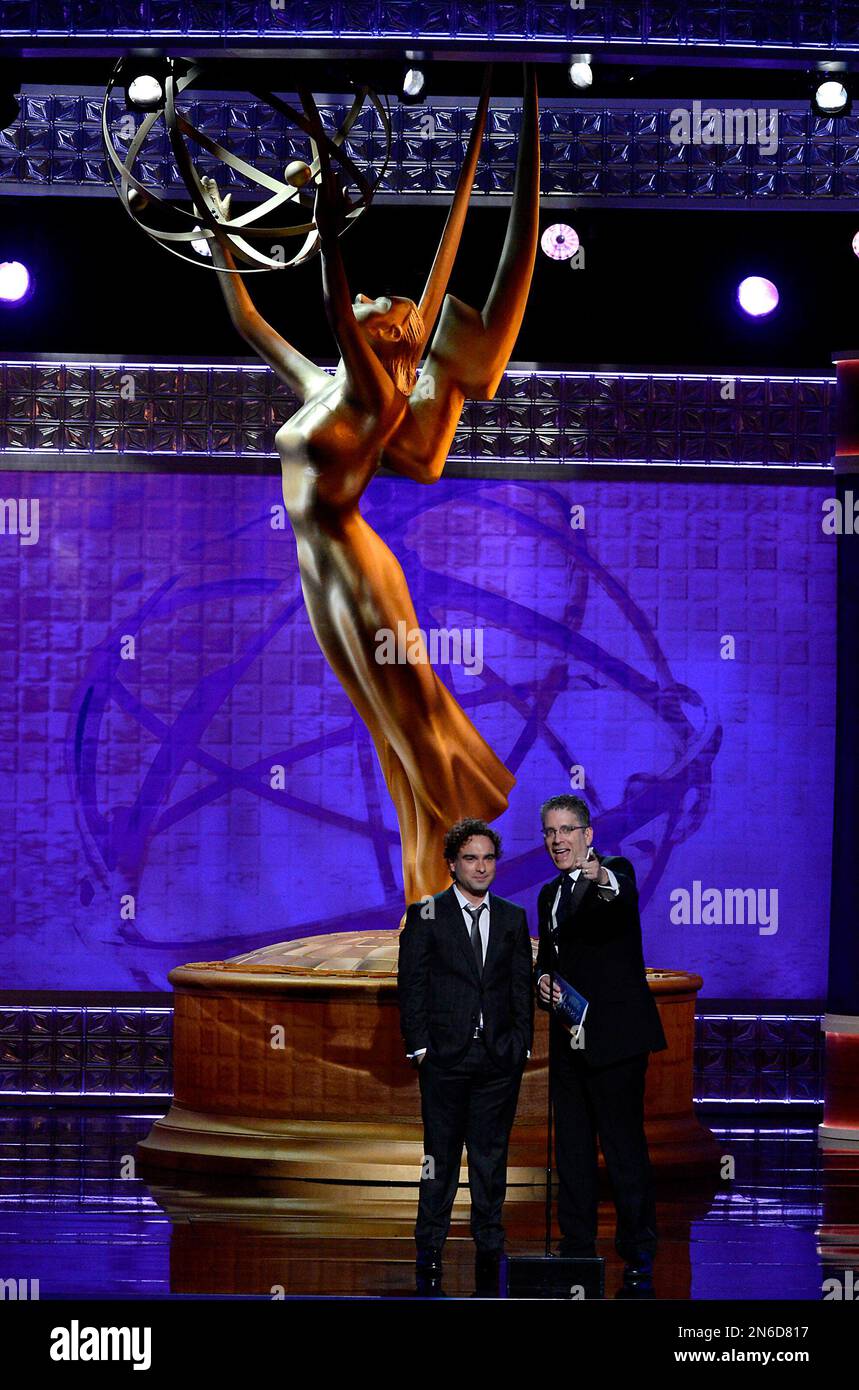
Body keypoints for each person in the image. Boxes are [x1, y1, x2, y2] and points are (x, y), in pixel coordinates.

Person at [201, 68, 540, 904]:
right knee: (387, 732)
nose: (375, 300)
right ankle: (426, 897)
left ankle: (468, 874)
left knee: (416, 725)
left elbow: (330, 303)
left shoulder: (374, 393)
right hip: (320, 573)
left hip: (357, 571)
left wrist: (322, 195)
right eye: (382, 303)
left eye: (386, 308)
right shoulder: (327, 385)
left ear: (390, 341)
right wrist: (216, 228)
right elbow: (249, 321)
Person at [535, 794, 667, 1293]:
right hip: (569, 1039)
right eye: (550, 832)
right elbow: (550, 958)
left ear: (588, 836)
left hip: (615, 1040)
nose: (558, 840)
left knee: (622, 1146)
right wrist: (542, 982)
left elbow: (618, 892)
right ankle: (576, 1247)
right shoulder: (548, 895)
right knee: (571, 1148)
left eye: (568, 830)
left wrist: (598, 875)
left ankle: (638, 1250)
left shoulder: (613, 871)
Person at [398, 818, 534, 1290]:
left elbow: (520, 987)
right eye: (471, 858)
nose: (481, 866)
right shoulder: (427, 914)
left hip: (499, 1058)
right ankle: (429, 1247)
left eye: (488, 857)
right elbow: (411, 986)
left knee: (490, 1157)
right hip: (444, 1058)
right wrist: (420, 1048)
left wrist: (521, 1045)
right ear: (452, 864)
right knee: (439, 1157)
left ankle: (489, 1246)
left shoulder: (513, 918)